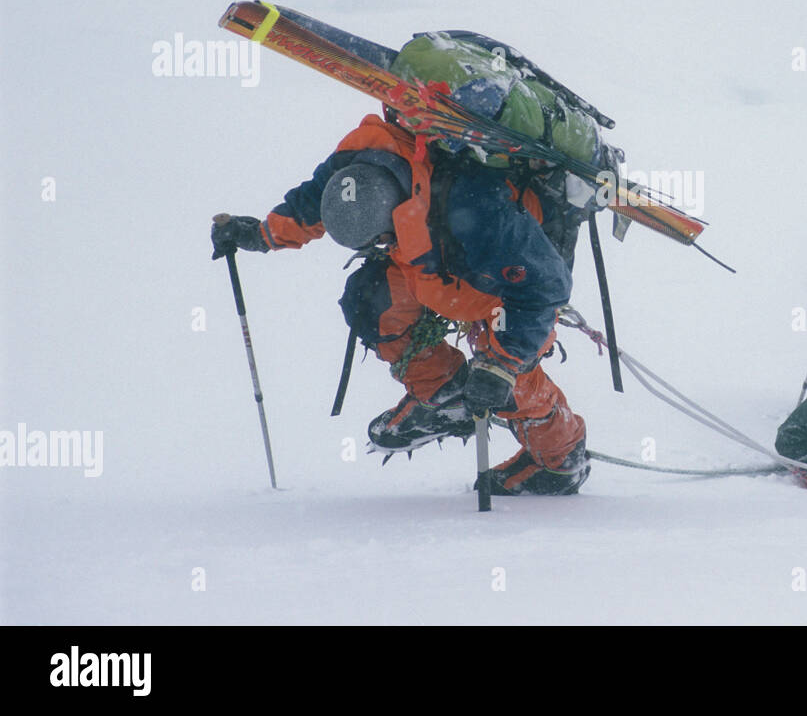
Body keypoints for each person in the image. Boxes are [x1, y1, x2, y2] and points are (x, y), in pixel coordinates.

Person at [210, 113, 591, 495]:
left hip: (503, 282)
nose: (378, 247)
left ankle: (561, 458)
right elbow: (312, 203)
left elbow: (545, 286)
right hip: (432, 261)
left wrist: (502, 366)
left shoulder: (479, 213)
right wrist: (261, 234)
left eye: (380, 239)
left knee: (506, 382)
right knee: (370, 301)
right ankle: (444, 393)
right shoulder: (359, 161)